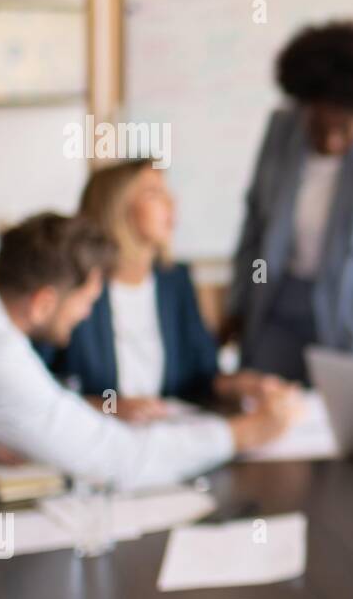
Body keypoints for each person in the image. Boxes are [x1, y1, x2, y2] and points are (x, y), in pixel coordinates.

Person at [0, 213, 300, 509]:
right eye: (86, 300)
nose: (85, 314)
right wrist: (245, 432)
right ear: (45, 302)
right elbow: (119, 459)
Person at [223, 20, 353, 382]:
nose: (331, 141)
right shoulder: (281, 132)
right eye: (320, 126)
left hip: (347, 304)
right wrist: (238, 306)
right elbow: (255, 223)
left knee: (350, 414)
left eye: (345, 129)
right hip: (277, 301)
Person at [39, 159, 288, 421]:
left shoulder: (175, 281)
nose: (170, 203)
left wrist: (245, 386)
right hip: (94, 439)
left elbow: (203, 374)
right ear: (116, 207)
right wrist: (109, 407)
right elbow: (39, 388)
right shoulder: (77, 285)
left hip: (168, 437)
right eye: (153, 194)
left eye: (167, 192)